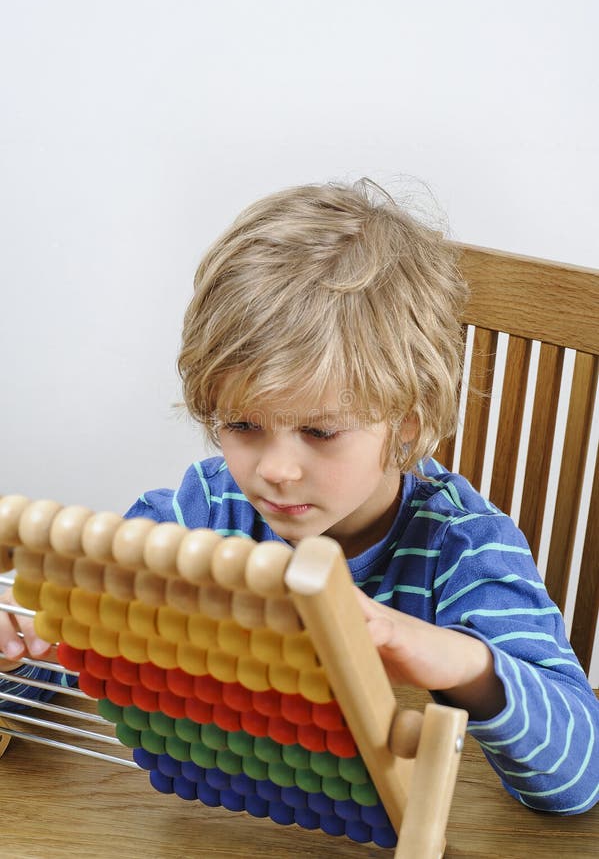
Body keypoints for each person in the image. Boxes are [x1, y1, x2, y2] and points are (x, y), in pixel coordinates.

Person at [1, 180, 598, 815]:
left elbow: (579, 781)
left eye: (320, 431)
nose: (277, 470)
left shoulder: (464, 551)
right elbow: (57, 670)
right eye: (243, 426)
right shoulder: (197, 515)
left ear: (410, 423)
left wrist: (448, 659)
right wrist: (21, 650)